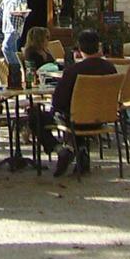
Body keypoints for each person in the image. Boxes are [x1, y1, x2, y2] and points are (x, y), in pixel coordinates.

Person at [40, 28, 118, 176]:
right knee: (77, 112)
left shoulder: (74, 70)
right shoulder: (110, 68)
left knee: (36, 116)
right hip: (102, 118)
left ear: (79, 48)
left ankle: (61, 150)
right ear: (99, 46)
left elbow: (57, 101)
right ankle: (81, 150)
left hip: (76, 119)